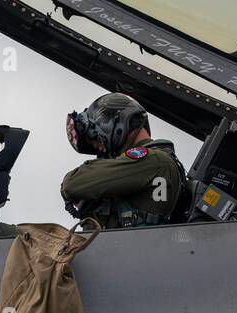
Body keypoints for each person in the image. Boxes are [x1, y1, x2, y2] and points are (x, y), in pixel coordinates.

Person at [62, 93, 185, 229]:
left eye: (95, 139)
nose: (98, 147)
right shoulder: (152, 162)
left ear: (112, 121)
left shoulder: (153, 161)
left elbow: (73, 183)